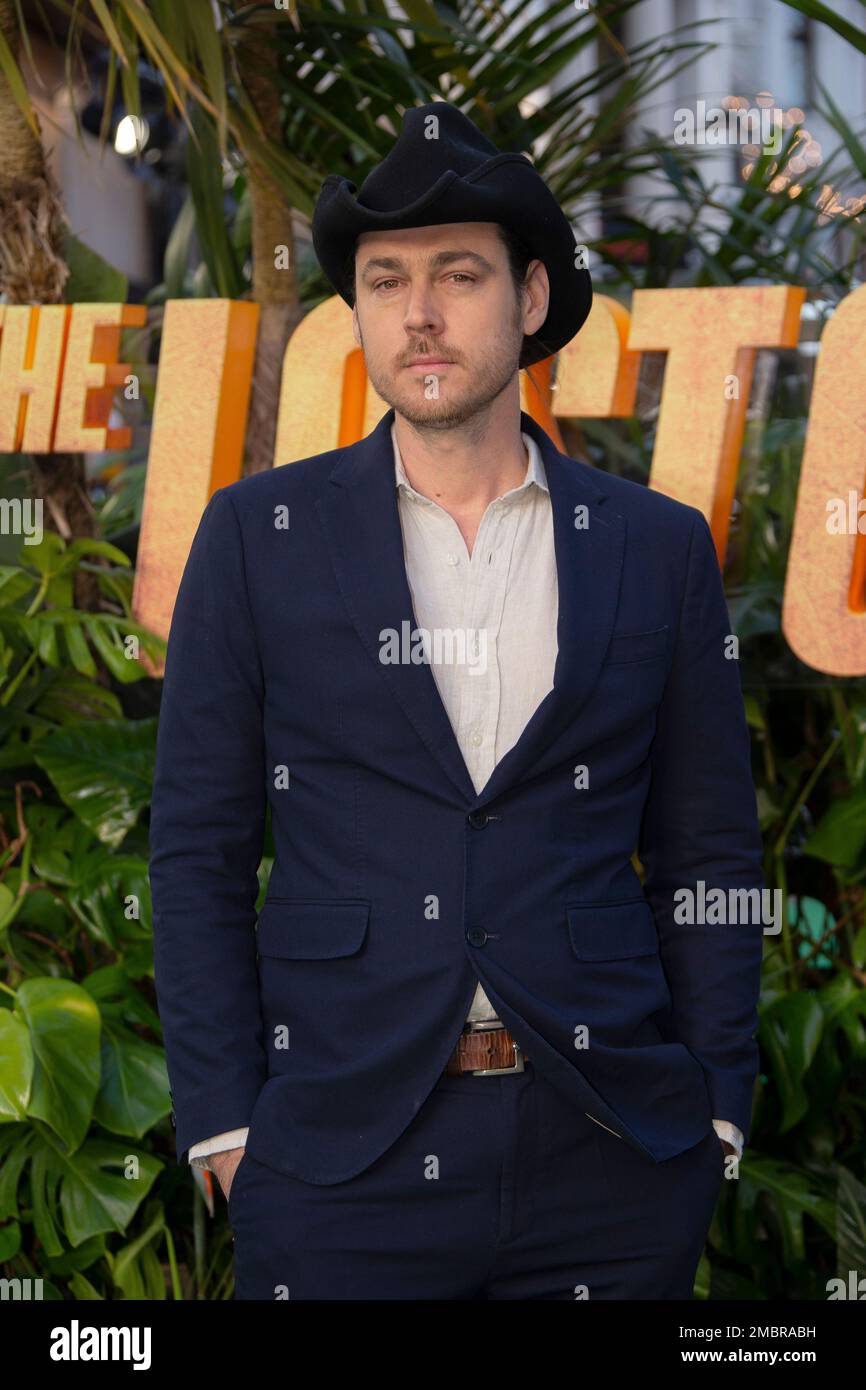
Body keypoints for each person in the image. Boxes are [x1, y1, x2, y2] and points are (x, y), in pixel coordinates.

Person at [149, 102, 765, 1300]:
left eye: (457, 274)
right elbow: (195, 852)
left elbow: (707, 846)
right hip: (339, 1163)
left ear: (530, 300)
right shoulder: (256, 539)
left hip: (608, 1154)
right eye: (384, 282)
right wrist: (226, 1125)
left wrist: (717, 1107)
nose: (417, 313)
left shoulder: (653, 547)